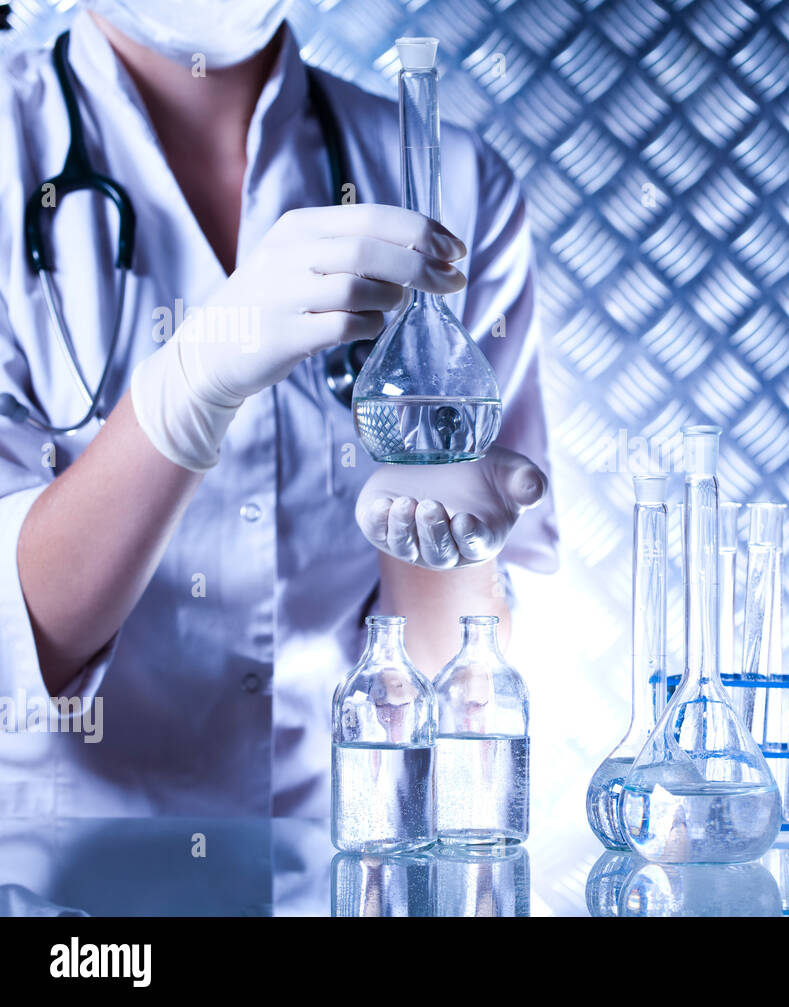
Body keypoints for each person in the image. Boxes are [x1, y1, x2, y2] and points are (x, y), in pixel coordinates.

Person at [0, 0, 557, 817]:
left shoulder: (459, 186)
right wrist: (186, 390)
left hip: (337, 865)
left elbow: (456, 674)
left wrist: (438, 533)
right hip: (65, 888)